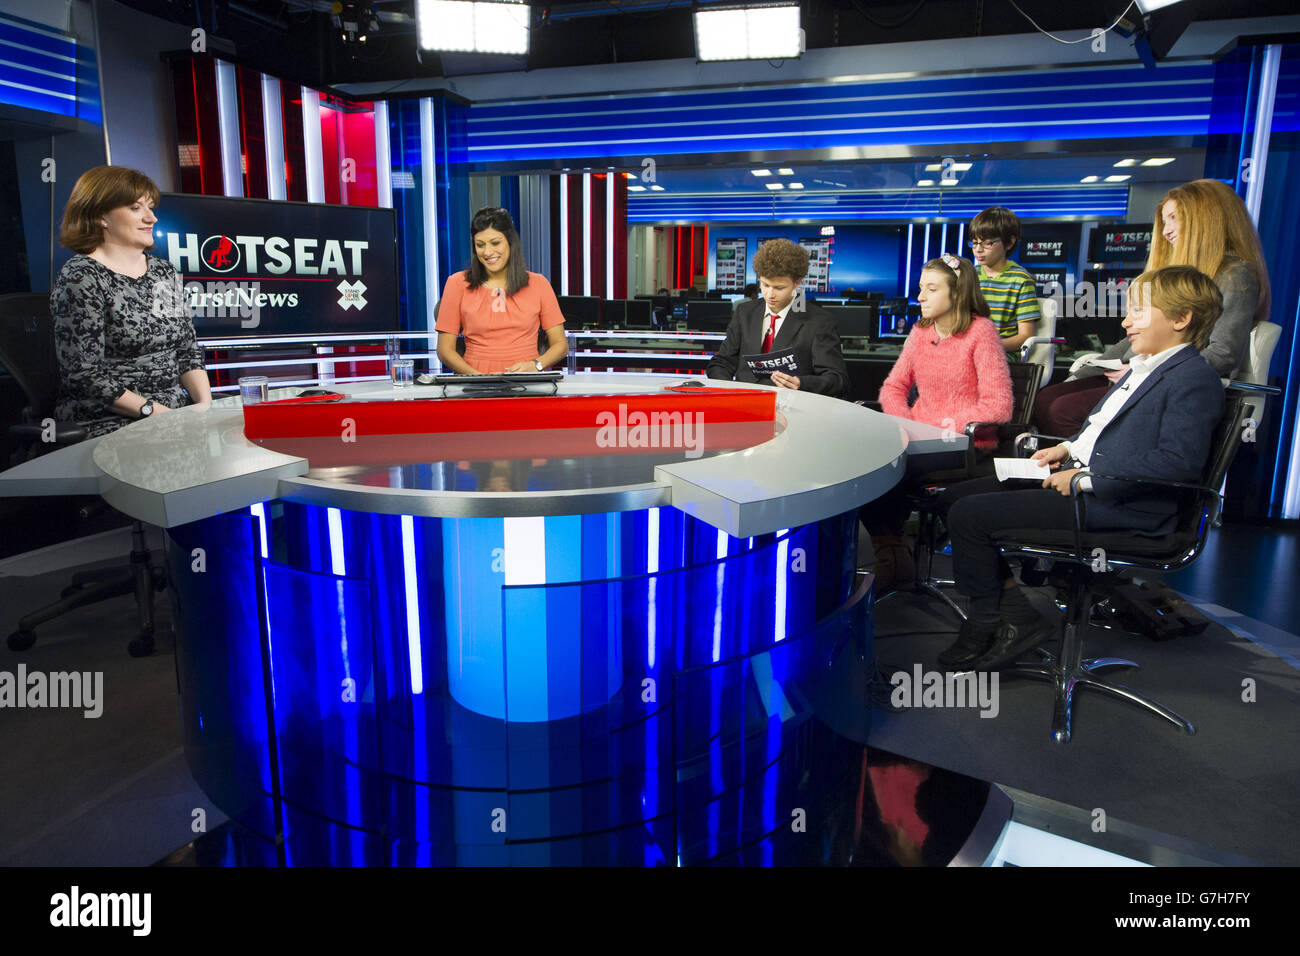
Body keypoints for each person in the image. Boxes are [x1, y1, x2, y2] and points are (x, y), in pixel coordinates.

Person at [940, 266, 1225, 671]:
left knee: (969, 515)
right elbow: (1107, 432)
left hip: (1127, 505)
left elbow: (1178, 463)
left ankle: (996, 622)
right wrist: (1067, 447)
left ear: (1181, 320)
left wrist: (1086, 477)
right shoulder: (1150, 369)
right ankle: (1010, 610)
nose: (1126, 321)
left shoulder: (1193, 379)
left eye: (1139, 311)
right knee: (955, 497)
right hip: (1086, 479)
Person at [1035, 179, 1270, 436]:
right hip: (1142, 376)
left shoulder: (1235, 276)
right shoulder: (1180, 277)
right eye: (1164, 221)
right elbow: (1135, 338)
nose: (1167, 231)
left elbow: (1222, 354)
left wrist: (1143, 372)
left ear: (1205, 220)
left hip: (1173, 385)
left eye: (1174, 218)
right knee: (1046, 399)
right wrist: (1087, 371)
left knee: (1062, 410)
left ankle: (1084, 471)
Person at [863, 253, 1013, 591]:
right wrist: (905, 425)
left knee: (882, 470)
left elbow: (999, 405)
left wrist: (941, 426)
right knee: (864, 466)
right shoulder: (919, 333)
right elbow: (893, 387)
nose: (919, 297)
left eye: (931, 289)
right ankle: (894, 557)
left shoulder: (981, 332)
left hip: (964, 445)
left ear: (956, 293)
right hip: (919, 440)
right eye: (920, 288)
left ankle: (896, 561)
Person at [52, 166, 209, 438]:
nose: (152, 218)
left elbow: (187, 352)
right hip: (111, 420)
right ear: (102, 215)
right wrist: (157, 413)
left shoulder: (163, 272)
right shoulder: (81, 276)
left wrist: (204, 410)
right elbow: (84, 375)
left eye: (150, 207)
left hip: (175, 416)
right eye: (136, 208)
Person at [706, 238, 849, 398]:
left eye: (779, 288)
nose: (770, 294)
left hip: (793, 407)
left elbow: (837, 379)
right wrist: (729, 392)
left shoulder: (819, 321)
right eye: (765, 285)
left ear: (797, 283)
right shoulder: (744, 312)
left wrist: (802, 384)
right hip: (744, 405)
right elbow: (721, 363)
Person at [435, 207, 567, 374]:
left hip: (528, 380)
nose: (488, 252)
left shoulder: (539, 283)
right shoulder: (456, 283)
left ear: (510, 242)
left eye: (495, 243)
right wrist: (477, 378)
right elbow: (444, 350)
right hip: (473, 382)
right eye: (480, 245)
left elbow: (560, 345)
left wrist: (536, 365)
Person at [969, 206, 1041, 354]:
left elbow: (1026, 336)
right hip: (969, 352)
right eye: (975, 243)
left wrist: (988, 347)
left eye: (987, 243)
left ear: (1009, 243)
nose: (978, 249)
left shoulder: (1021, 279)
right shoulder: (969, 275)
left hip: (1002, 355)